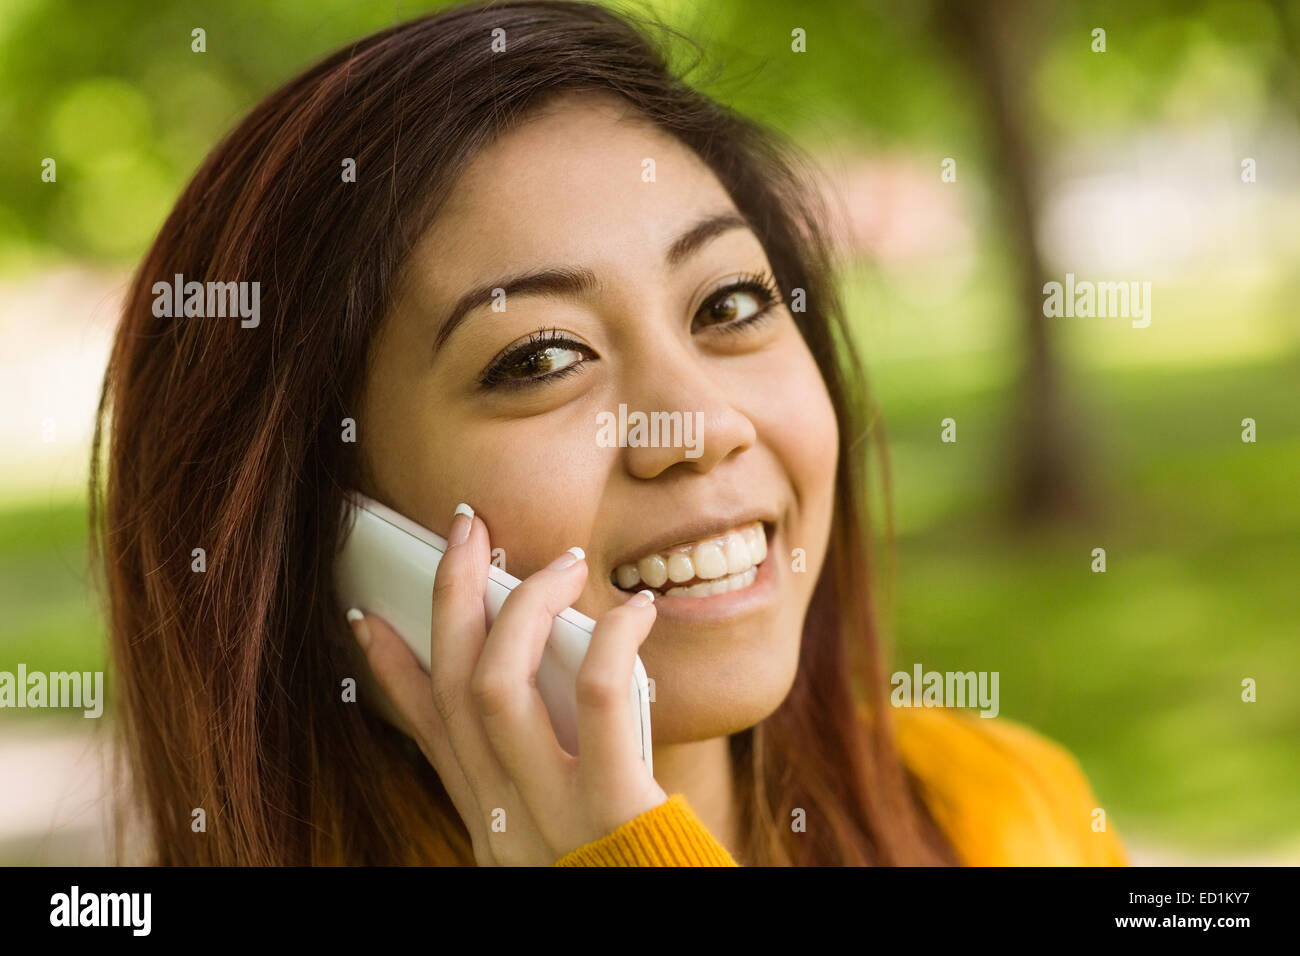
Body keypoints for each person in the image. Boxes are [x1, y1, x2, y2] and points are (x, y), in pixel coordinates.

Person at [91, 0, 1128, 866]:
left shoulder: (1002, 807)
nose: (702, 426)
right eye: (540, 358)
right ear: (330, 535)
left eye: (727, 303)